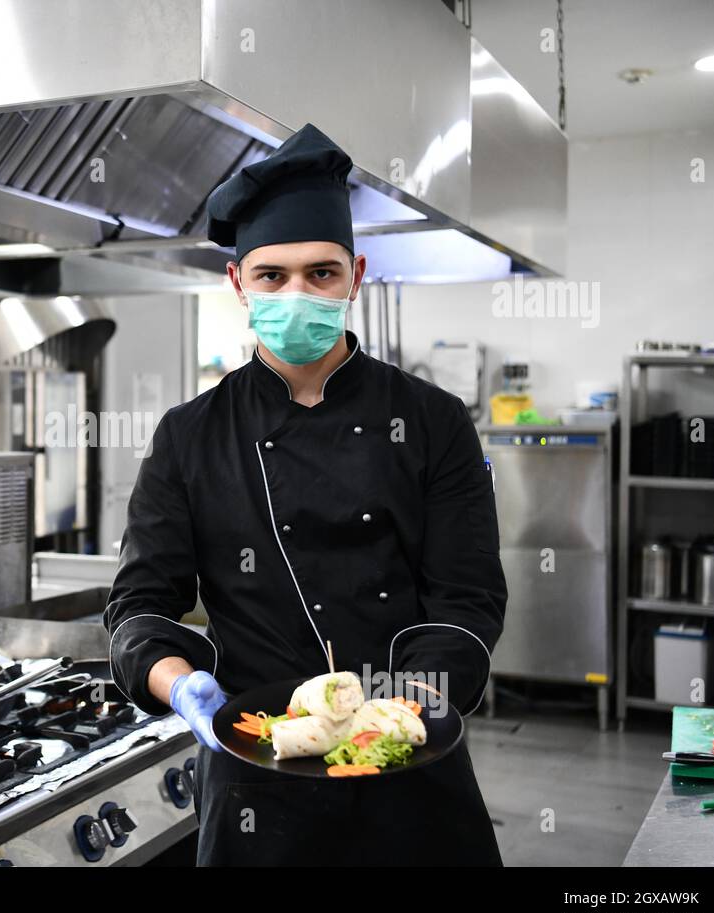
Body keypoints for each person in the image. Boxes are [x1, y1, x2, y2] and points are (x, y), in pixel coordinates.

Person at [105, 124, 507, 866]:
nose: (298, 295)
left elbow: (468, 596)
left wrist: (398, 716)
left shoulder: (431, 420)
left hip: (409, 766)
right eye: (272, 276)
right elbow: (140, 606)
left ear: (355, 275)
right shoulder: (190, 435)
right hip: (261, 765)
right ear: (237, 284)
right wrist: (180, 683)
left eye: (321, 274)